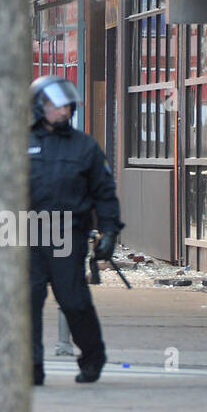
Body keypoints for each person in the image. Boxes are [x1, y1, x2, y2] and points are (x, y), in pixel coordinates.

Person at [26, 75, 121, 386]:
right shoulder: (19, 142)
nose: (64, 112)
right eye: (57, 106)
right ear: (40, 107)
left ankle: (93, 357)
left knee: (74, 301)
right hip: (24, 233)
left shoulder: (85, 146)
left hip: (68, 233)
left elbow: (104, 192)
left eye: (67, 106)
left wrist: (108, 232)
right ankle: (30, 367)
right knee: (27, 303)